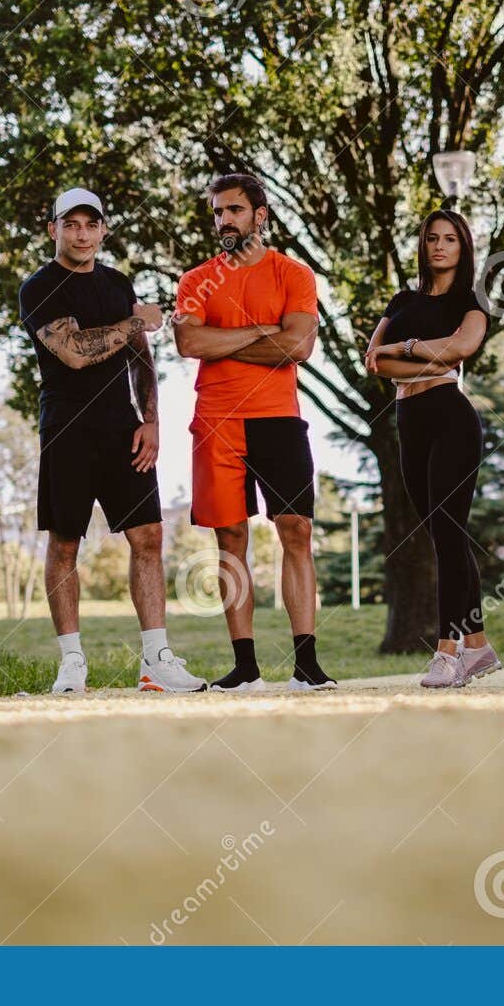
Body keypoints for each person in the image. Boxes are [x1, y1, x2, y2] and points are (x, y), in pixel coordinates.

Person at [18, 187, 206, 695]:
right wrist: (133, 322)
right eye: (71, 224)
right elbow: (74, 352)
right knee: (65, 543)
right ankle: (72, 663)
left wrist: (151, 419)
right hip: (66, 427)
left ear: (103, 230)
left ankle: (156, 660)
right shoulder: (39, 288)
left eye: (91, 224)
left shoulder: (118, 283)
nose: (82, 234)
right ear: (53, 229)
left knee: (149, 536)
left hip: (122, 427)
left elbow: (141, 356)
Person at [172, 173, 335, 692]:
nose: (225, 221)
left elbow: (299, 348)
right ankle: (245, 667)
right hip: (215, 421)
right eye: (218, 212)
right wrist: (265, 334)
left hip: (278, 418)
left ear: (259, 215)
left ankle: (306, 664)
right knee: (230, 540)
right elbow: (188, 342)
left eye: (235, 210)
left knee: (297, 532)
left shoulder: (294, 273)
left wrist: (220, 341)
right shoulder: (196, 280)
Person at [365, 209, 497, 688]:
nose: (440, 246)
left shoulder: (471, 298)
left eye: (450, 239)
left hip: (451, 417)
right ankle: (479, 648)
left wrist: (407, 348)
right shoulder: (402, 298)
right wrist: (424, 356)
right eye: (432, 238)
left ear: (463, 247)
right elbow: (374, 360)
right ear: (422, 245)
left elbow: (461, 348)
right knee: (448, 533)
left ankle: (448, 651)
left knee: (447, 531)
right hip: (409, 420)